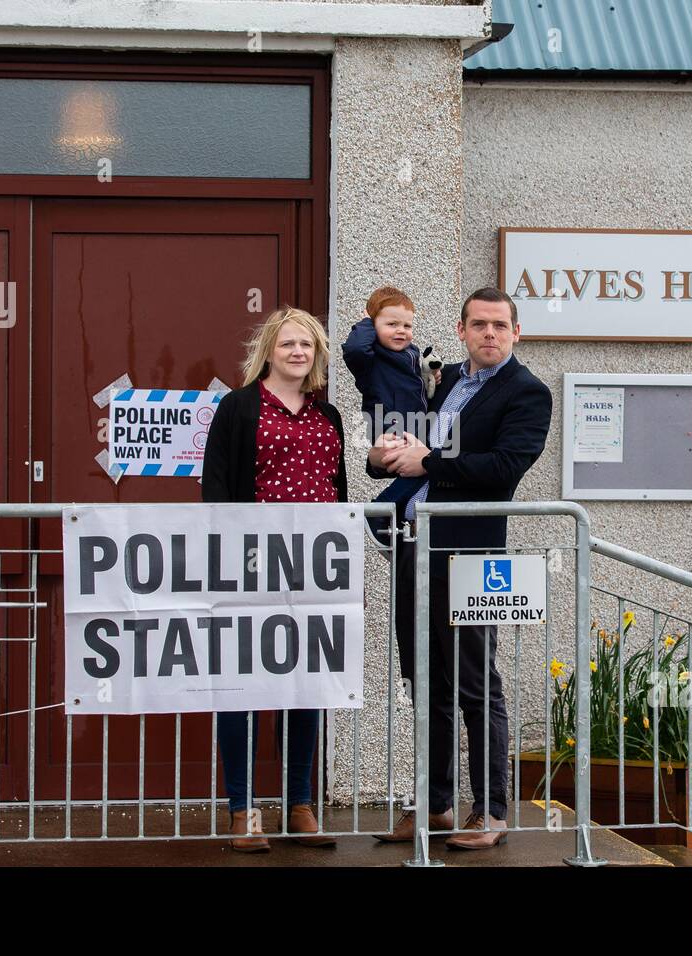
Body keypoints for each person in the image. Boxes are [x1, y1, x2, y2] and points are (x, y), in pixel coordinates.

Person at [368, 286, 552, 850]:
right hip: (414, 549)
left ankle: (492, 812)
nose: (490, 334)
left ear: (516, 333)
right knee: (425, 682)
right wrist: (380, 457)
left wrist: (428, 459)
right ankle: (436, 805)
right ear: (461, 330)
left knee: (476, 685)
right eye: (479, 325)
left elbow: (503, 467)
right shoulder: (443, 381)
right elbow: (407, 458)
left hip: (471, 556)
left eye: (500, 325)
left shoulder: (528, 393)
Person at [201, 306, 348, 853]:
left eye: (307, 346)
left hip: (312, 571)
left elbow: (338, 495)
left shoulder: (326, 415)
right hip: (249, 567)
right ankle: (243, 811)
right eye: (287, 343)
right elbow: (216, 490)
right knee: (240, 686)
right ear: (268, 350)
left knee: (303, 686)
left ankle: (300, 805)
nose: (297, 353)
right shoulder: (238, 410)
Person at [341, 286, 435, 536]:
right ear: (373, 324)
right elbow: (355, 348)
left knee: (423, 469)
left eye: (407, 326)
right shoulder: (371, 360)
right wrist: (367, 321)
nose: (401, 331)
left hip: (414, 425)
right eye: (391, 324)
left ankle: (393, 514)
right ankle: (381, 511)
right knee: (426, 468)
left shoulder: (410, 354)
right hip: (388, 427)